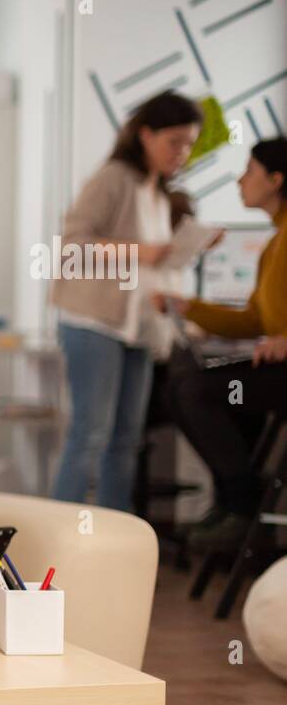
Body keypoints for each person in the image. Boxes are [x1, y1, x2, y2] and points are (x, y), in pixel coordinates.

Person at [49, 91, 206, 512]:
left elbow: (149, 269)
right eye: (175, 141)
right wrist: (141, 250)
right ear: (145, 134)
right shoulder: (114, 178)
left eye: (189, 143)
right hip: (94, 324)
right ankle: (60, 531)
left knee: (126, 441)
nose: (182, 153)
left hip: (137, 329)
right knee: (90, 435)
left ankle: (118, 539)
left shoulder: (158, 192)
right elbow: (71, 248)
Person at [151, 137, 287, 551]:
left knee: (195, 390)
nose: (240, 180)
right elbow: (255, 320)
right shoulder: (275, 243)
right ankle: (236, 503)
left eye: (249, 171)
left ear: (277, 178)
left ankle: (242, 503)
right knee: (193, 388)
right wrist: (188, 308)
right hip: (274, 373)